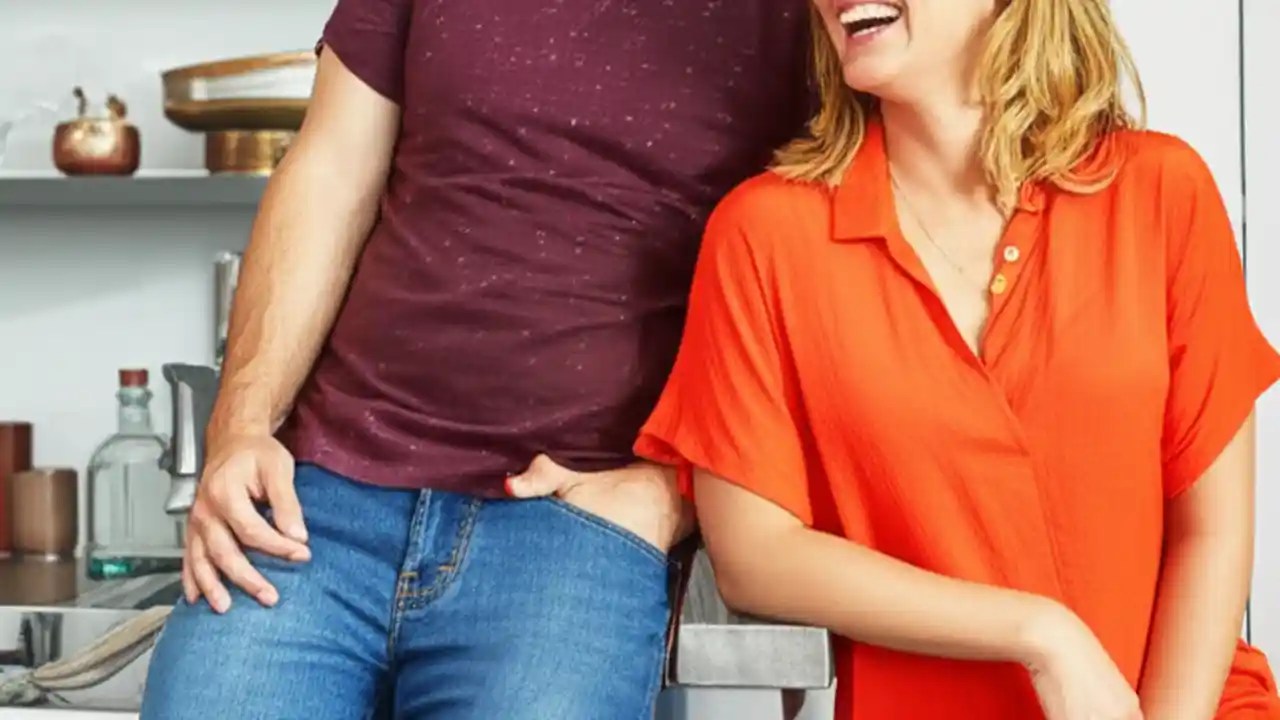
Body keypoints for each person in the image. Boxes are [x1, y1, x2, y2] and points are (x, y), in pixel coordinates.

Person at [139, 2, 809, 718]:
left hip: (572, 518)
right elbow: (330, 171)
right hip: (319, 497)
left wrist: (678, 492)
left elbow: (834, 268)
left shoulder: (803, 17)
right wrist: (239, 426)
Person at [635, 1, 1280, 719]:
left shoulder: (1160, 190)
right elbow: (756, 555)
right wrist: (1040, 634)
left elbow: (1211, 528)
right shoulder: (764, 236)